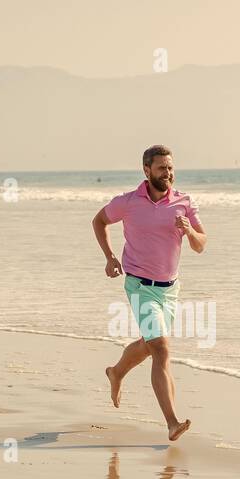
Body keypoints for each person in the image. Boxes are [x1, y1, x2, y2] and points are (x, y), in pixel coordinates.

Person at [92, 145, 207, 441]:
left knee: (149, 345)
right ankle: (171, 422)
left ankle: (116, 372)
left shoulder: (183, 202)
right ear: (146, 170)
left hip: (170, 290)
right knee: (162, 349)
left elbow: (201, 244)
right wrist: (109, 257)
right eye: (161, 168)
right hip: (140, 285)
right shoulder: (128, 202)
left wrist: (189, 230)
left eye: (170, 168)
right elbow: (99, 221)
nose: (167, 174)